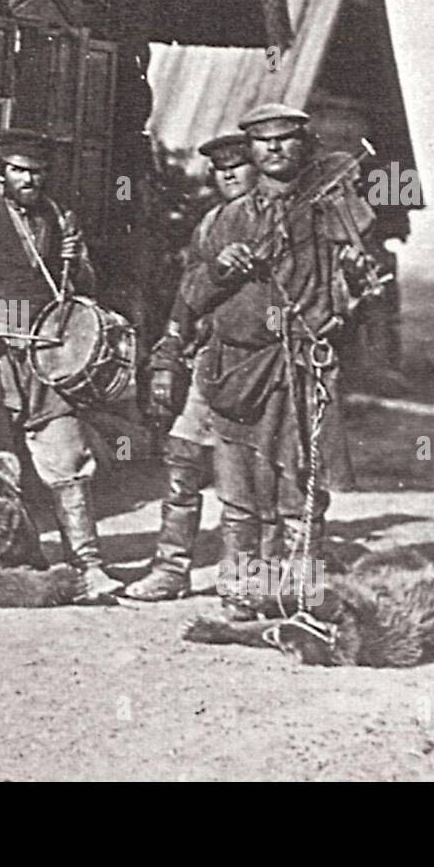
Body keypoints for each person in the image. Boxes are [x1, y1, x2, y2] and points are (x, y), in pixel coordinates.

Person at [180, 104, 374, 619]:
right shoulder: (221, 221)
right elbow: (192, 294)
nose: (274, 149)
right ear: (251, 150)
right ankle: (243, 592)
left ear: (301, 145)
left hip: (300, 371)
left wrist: (351, 277)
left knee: (300, 490)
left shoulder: (330, 211)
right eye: (263, 141)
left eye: (286, 139)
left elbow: (349, 294)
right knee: (241, 492)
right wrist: (220, 271)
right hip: (236, 371)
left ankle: (297, 594)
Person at [0, 128, 121, 603]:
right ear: (2, 174)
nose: (30, 179)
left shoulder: (62, 221)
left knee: (69, 458)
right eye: (20, 171)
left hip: (48, 360)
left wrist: (77, 262)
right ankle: (8, 563)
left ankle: (88, 566)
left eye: (38, 172)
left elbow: (84, 290)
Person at [125, 133, 258, 600]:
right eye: (220, 169)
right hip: (208, 357)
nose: (228, 175)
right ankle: (170, 568)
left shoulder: (273, 220)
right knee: (182, 461)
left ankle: (238, 579)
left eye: (238, 166)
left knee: (240, 475)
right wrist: (171, 342)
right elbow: (187, 293)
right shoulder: (209, 224)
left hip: (255, 365)